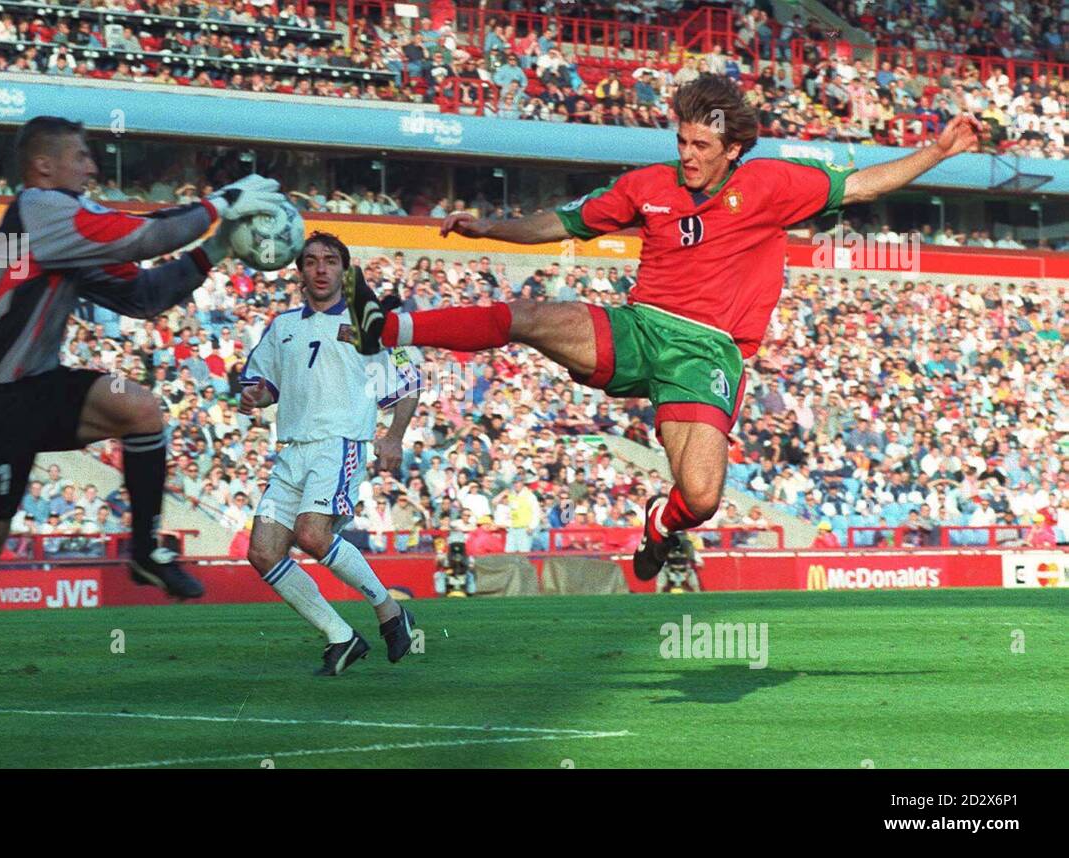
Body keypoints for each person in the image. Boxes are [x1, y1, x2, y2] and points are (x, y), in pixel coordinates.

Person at [342, 74, 982, 583]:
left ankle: (657, 525)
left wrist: (939, 150)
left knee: (700, 499)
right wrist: (491, 226)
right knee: (527, 315)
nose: (688, 156)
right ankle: (387, 328)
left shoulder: (772, 185)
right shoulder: (647, 186)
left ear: (733, 150)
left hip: (706, 351)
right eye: (682, 142)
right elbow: (562, 224)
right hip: (640, 327)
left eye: (702, 147)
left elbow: (865, 184)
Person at [0, 115, 287, 721]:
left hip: (38, 389)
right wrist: (220, 203)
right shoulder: (39, 211)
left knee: (141, 406)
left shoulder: (64, 232)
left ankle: (143, 551)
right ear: (43, 167)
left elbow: (145, 297)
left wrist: (213, 250)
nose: (92, 166)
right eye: (81, 156)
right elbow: (138, 236)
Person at [239, 232, 421, 675]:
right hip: (292, 453)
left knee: (312, 535)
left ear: (344, 270)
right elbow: (261, 388)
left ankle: (388, 608)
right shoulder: (283, 327)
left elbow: (407, 385)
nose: (321, 269)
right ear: (299, 271)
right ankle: (341, 636)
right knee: (262, 552)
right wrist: (256, 397)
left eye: (331, 261)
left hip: (338, 446)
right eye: (312, 261)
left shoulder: (368, 325)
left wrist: (394, 436)